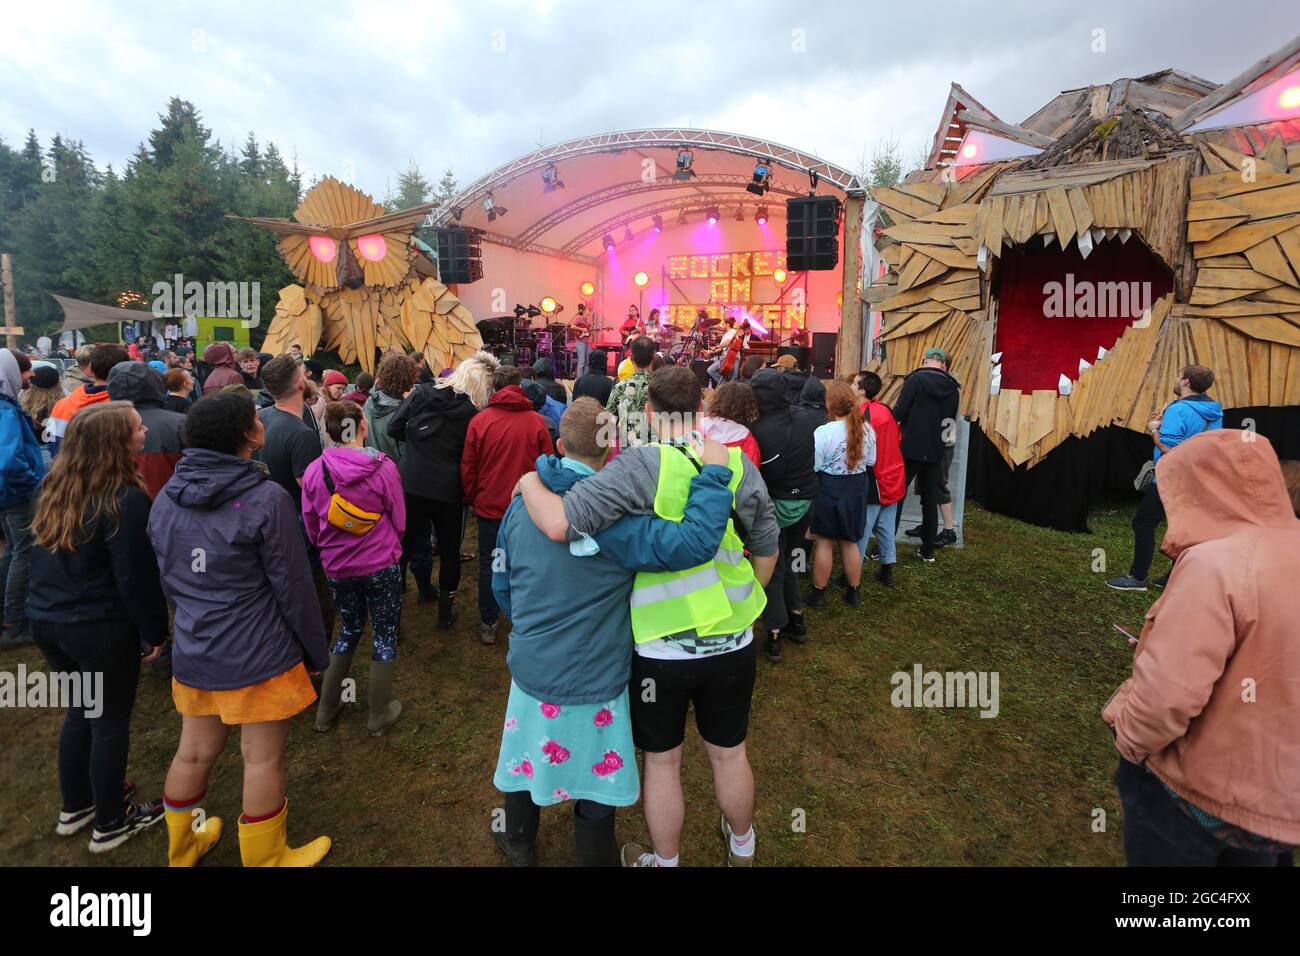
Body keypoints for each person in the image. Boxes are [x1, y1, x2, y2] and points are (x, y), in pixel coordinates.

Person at [518, 366, 779, 867]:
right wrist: (750, 598)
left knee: (663, 762)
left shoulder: (636, 466)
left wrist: (528, 481)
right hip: (732, 640)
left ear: (650, 412)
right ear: (701, 408)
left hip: (662, 650)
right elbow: (766, 539)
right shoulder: (733, 460)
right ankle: (743, 846)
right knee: (730, 752)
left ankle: (666, 860)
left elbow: (562, 522)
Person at [1103, 429, 1300, 865]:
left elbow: (1169, 693)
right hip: (1277, 800)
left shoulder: (1215, 563)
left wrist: (1131, 740)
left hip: (1194, 795)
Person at [151, 393, 330, 868]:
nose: (261, 419)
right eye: (255, 417)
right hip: (258, 651)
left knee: (193, 752)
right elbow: (294, 586)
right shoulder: (267, 499)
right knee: (262, 757)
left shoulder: (166, 496)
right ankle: (266, 858)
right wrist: (316, 652)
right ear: (248, 435)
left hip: (196, 643)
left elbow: (168, 574)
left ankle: (182, 848)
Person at [28, 401, 169, 851]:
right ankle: (110, 821)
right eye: (137, 427)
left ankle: (78, 804)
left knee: (81, 710)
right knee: (108, 721)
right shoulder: (124, 498)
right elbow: (136, 577)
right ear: (116, 442)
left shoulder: (54, 487)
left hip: (49, 619)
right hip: (96, 625)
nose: (145, 431)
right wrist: (154, 632)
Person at [304, 400, 406, 736]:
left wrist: (329, 548)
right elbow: (398, 517)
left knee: (348, 629)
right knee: (385, 633)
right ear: (362, 425)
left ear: (329, 430)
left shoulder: (314, 470)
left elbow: (311, 521)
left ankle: (326, 711)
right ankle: (378, 714)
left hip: (337, 566)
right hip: (380, 563)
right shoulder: (384, 467)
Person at [388, 351, 497, 624]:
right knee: (449, 551)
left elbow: (394, 427)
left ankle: (392, 617)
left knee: (401, 548)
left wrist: (417, 444)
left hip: (412, 482)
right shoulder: (474, 413)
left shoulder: (422, 393)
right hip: (448, 489)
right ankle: (445, 616)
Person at [1106, 364, 1223, 592]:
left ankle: (1137, 577)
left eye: (1179, 376)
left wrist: (1153, 430)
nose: (1177, 379)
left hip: (1170, 479)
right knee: (1183, 528)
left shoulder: (1178, 409)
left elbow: (1170, 450)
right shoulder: (1214, 411)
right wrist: (1163, 424)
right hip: (1196, 479)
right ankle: (1174, 577)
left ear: (1186, 381)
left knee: (1143, 523)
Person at [462, 365, 554, 645]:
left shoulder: (480, 421)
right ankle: (524, 620)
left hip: (491, 507)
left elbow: (469, 466)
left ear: (494, 388)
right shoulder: (536, 421)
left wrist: (473, 498)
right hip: (526, 508)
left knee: (492, 563)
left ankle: (489, 621)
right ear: (520, 386)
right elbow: (548, 467)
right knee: (527, 565)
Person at [254, 355, 335, 643]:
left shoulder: (261, 417)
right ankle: (316, 645)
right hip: (298, 522)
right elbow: (311, 489)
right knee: (311, 588)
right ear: (301, 383)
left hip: (266, 516)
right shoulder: (302, 435)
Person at [749, 367, 818, 662]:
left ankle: (775, 633)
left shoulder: (760, 429)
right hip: (805, 499)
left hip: (777, 504)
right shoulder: (804, 417)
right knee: (790, 561)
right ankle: (797, 619)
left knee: (772, 567)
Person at [806, 381, 875, 608]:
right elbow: (871, 461)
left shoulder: (824, 432)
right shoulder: (867, 429)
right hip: (856, 486)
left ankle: (818, 594)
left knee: (824, 543)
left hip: (829, 486)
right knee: (850, 542)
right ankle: (854, 592)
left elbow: (814, 465)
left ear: (830, 404)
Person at [893, 347, 959, 563]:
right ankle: (928, 551)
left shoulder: (915, 380)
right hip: (935, 451)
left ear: (925, 360)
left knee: (897, 498)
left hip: (910, 448)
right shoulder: (953, 387)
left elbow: (900, 411)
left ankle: (884, 547)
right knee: (930, 502)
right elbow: (950, 421)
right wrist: (941, 447)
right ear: (943, 365)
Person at [1, 349, 44, 648]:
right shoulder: (5, 409)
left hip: (7, 493)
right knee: (24, 554)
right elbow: (8, 461)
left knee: (12, 552)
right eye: (25, 370)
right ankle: (15, 623)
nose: (30, 375)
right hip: (17, 493)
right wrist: (32, 484)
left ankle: (7, 614)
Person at [853, 371, 905, 586]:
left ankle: (851, 574)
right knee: (886, 526)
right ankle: (887, 570)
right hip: (894, 475)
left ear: (862, 391)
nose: (851, 387)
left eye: (854, 384)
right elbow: (898, 437)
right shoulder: (885, 409)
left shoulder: (863, 414)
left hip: (876, 478)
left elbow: (859, 449)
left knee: (862, 528)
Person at [107, 361, 187, 499]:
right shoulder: (181, 424)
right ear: (156, 385)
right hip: (168, 504)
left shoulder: (97, 424)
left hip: (115, 507)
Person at [48, 343, 128, 456]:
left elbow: (52, 443)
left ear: (91, 369)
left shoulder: (61, 405)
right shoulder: (126, 407)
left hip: (68, 465)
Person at [364, 354, 416, 463]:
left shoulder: (369, 402)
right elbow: (407, 454)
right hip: (393, 469)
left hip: (370, 466)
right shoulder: (403, 413)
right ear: (408, 379)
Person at [606, 335, 655, 449]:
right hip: (657, 454)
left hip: (628, 453)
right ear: (653, 357)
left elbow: (609, 425)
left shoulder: (620, 388)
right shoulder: (664, 386)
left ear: (631, 357)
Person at [699, 381, 761, 466]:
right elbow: (752, 470)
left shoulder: (697, 426)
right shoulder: (747, 439)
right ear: (748, 407)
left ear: (717, 400)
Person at [21, 363, 62, 466]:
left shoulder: (23, 402)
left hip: (30, 451)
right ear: (58, 383)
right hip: (55, 453)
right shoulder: (62, 403)